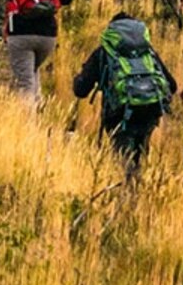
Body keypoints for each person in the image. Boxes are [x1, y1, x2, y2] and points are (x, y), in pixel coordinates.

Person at [71, 12, 176, 177]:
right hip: (149, 113)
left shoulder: (104, 52)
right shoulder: (147, 52)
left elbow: (80, 90)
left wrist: (78, 77)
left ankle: (125, 195)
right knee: (139, 158)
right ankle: (138, 193)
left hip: (118, 115)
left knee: (122, 162)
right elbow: (173, 86)